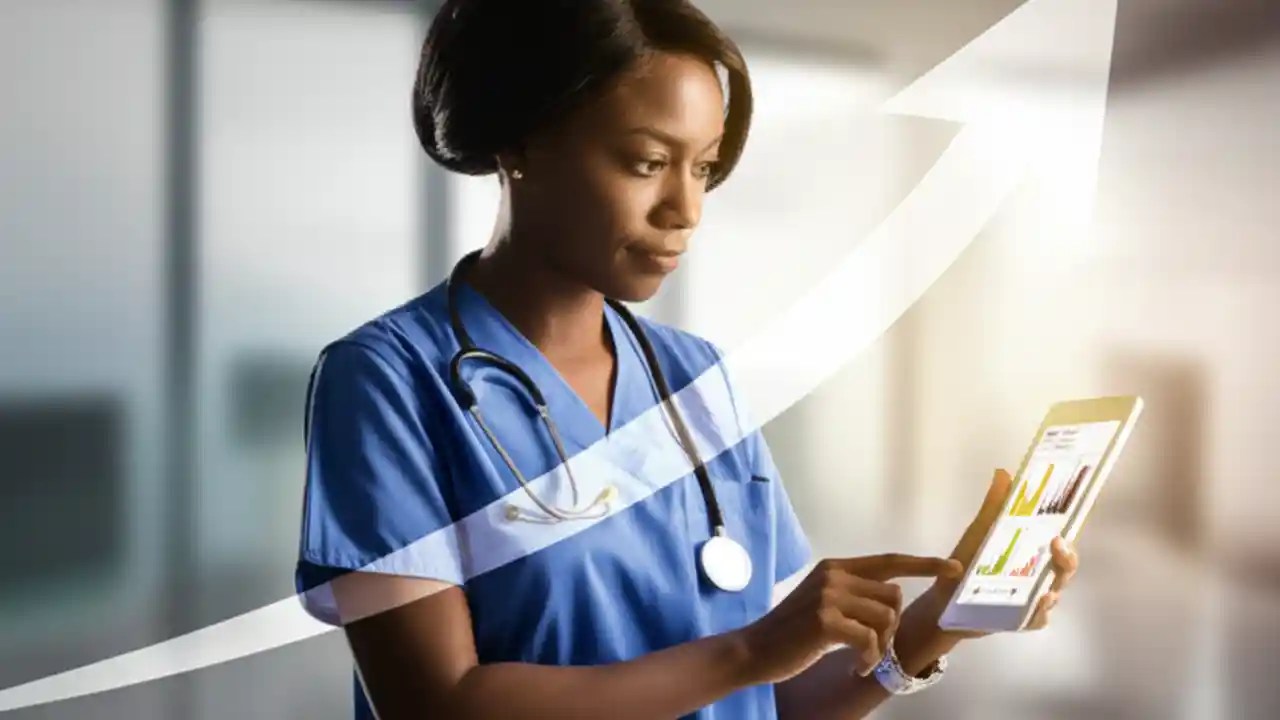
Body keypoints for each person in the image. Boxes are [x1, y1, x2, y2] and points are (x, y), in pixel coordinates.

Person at [294, 1, 1081, 718]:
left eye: (702, 167)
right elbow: (436, 704)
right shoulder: (386, 381)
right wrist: (749, 651)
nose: (687, 210)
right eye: (645, 163)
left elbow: (774, 700)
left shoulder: (695, 379)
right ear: (520, 144)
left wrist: (937, 622)